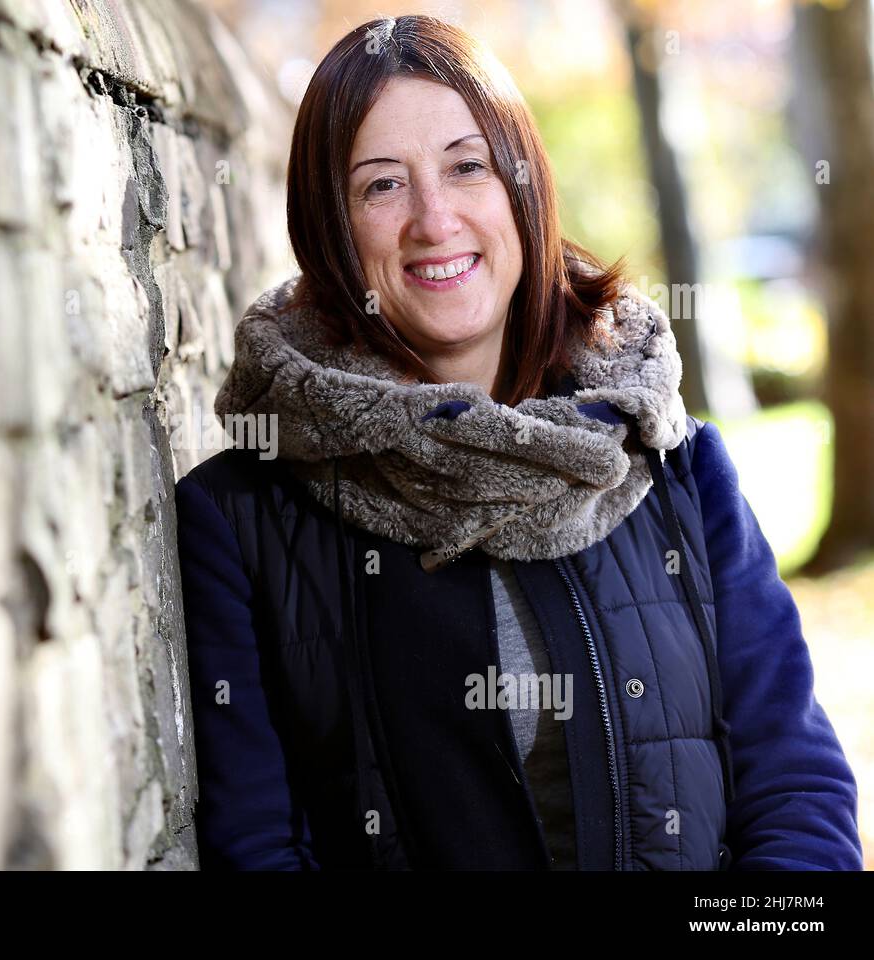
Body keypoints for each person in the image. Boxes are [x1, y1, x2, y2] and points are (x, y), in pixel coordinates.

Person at [175, 15, 862, 870]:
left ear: (523, 189)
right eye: (381, 186)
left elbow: (795, 792)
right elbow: (259, 848)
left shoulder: (676, 469)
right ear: (329, 230)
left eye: (468, 167)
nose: (435, 219)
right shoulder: (239, 520)